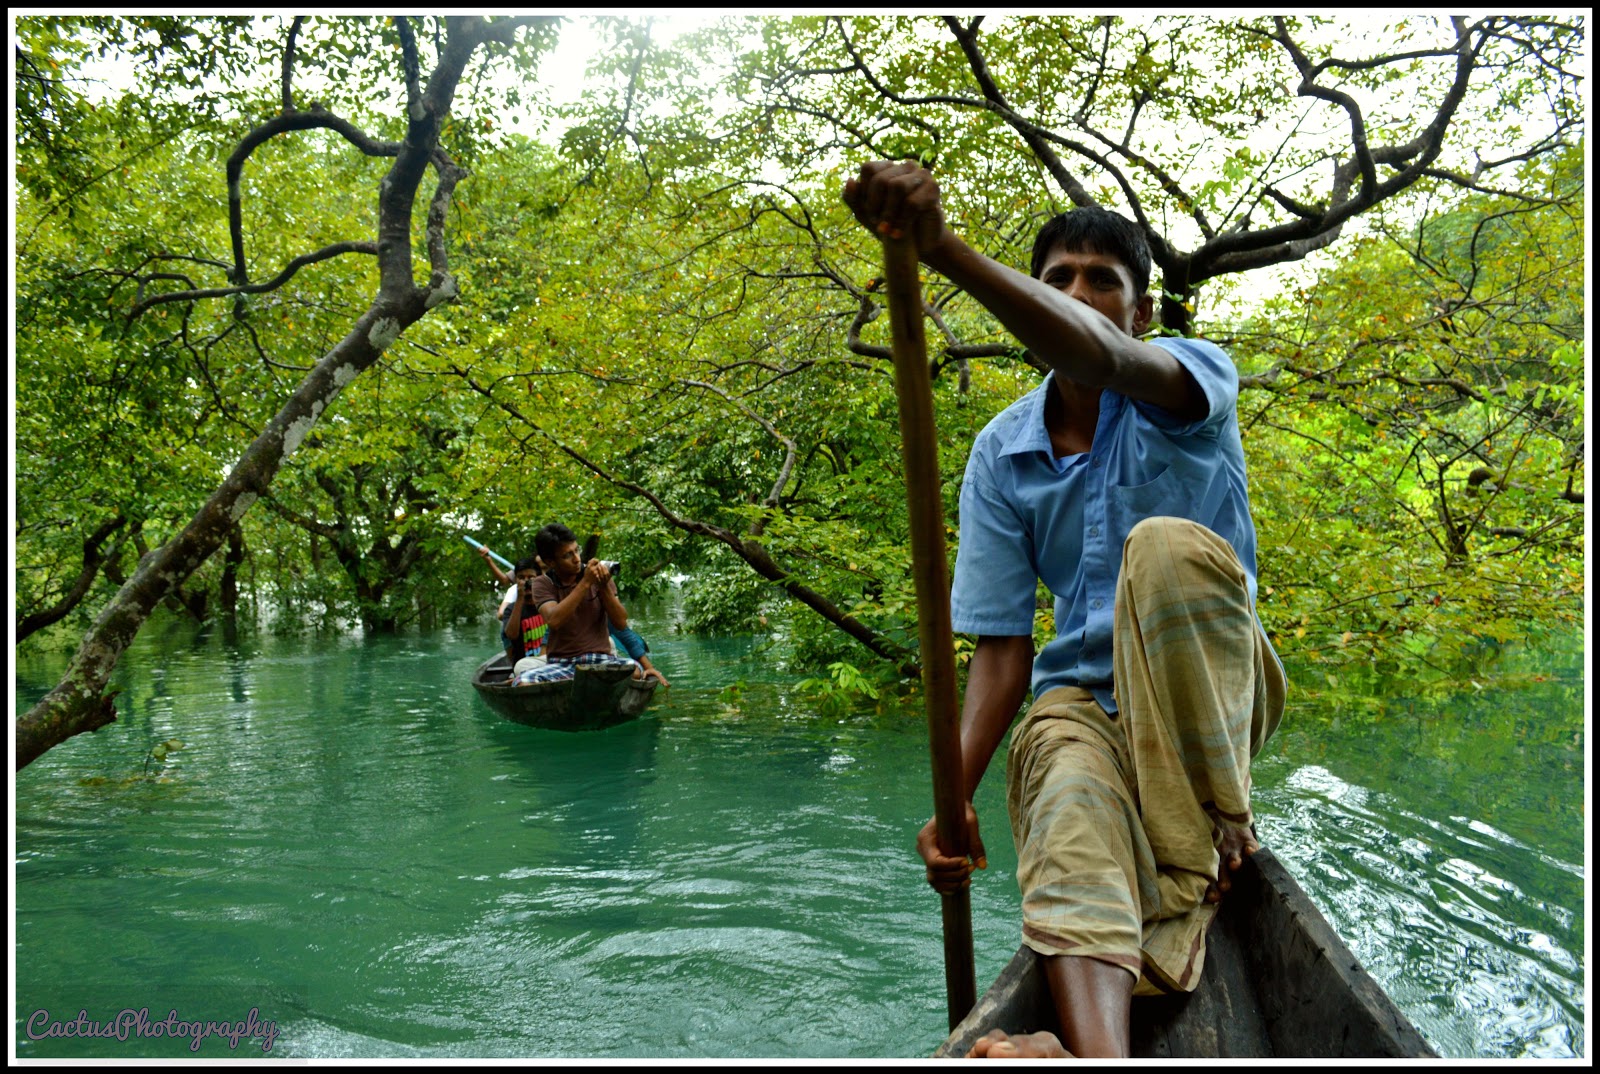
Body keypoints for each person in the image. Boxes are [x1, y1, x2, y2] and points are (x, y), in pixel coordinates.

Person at [842, 160, 1286, 1058]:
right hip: (1084, 701)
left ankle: (1221, 818)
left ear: (1142, 311)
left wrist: (944, 251)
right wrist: (952, 801)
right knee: (1063, 771)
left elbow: (1104, 359)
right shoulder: (1003, 451)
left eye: (1103, 282)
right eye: (1059, 281)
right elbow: (1003, 654)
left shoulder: (1190, 385)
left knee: (1159, 548)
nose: (1081, 297)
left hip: (1202, 700)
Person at [513, 523, 643, 685]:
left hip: (601, 660)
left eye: (577, 550)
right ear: (550, 562)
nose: (577, 559)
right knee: (523, 682)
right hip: (563, 663)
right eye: (567, 555)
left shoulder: (599, 577)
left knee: (635, 671)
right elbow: (554, 620)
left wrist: (603, 587)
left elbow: (621, 623)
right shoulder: (542, 583)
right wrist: (585, 583)